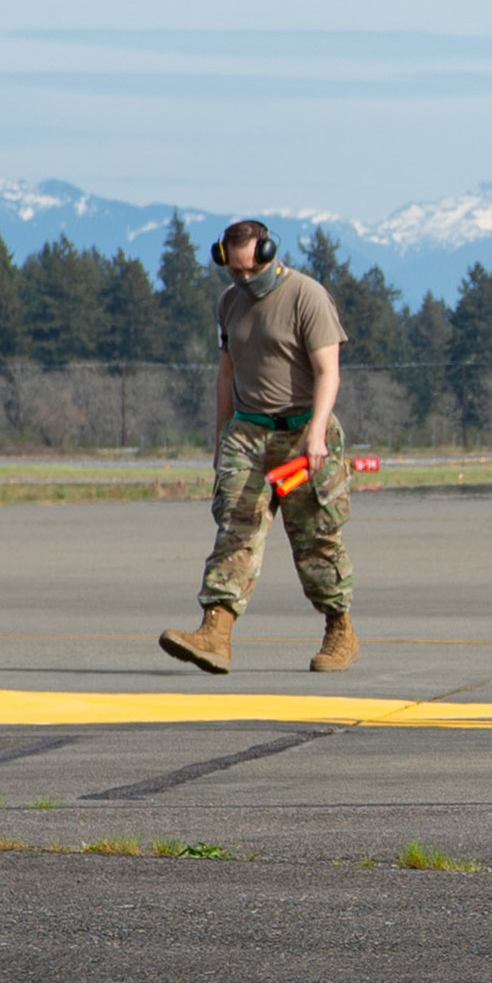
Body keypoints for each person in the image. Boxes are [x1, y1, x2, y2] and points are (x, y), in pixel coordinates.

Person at [160, 219, 357, 675]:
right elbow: (226, 373)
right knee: (236, 527)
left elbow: (329, 371)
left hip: (303, 429)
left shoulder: (307, 296)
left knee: (315, 540)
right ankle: (215, 632)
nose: (245, 280)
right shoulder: (229, 304)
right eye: (236, 272)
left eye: (252, 270)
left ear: (269, 253)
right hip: (247, 433)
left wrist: (317, 433)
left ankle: (340, 629)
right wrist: (220, 437)